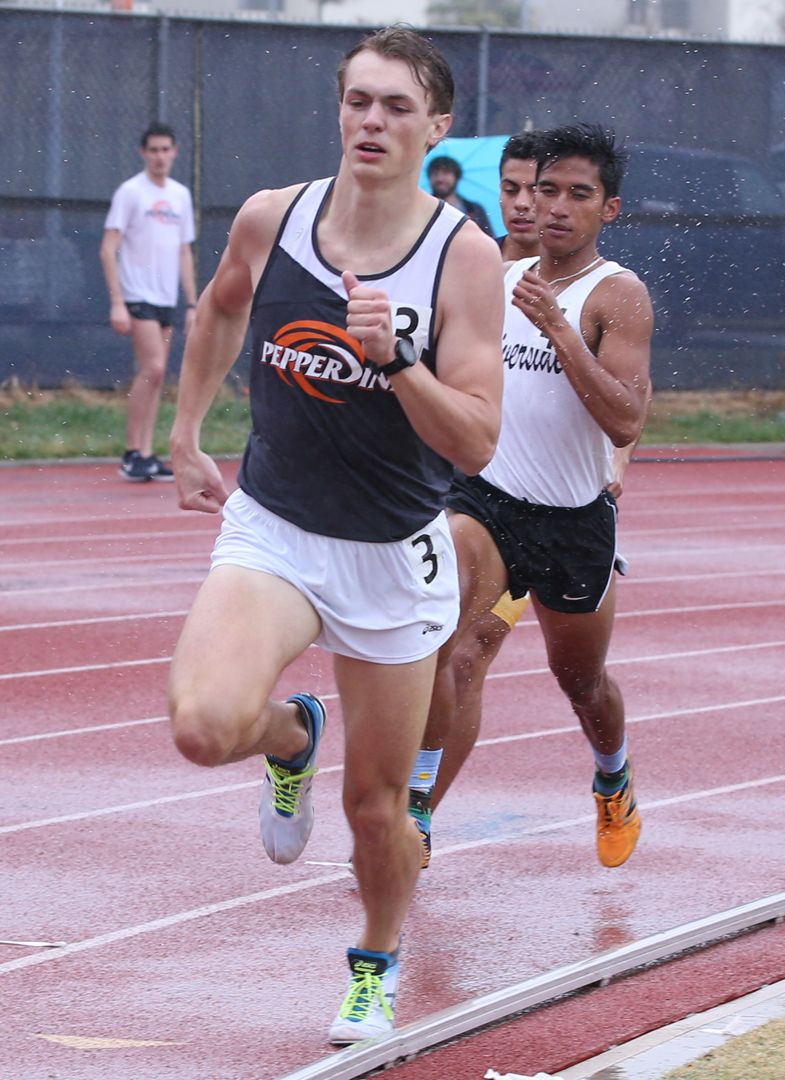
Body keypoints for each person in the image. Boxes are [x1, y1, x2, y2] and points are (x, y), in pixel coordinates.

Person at [164, 27, 502, 1045]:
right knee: (202, 726)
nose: (373, 121)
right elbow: (220, 309)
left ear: (437, 126)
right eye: (359, 100)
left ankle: (375, 961)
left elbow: (477, 440)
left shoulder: (462, 257)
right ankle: (290, 735)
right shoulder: (274, 216)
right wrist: (186, 431)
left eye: (398, 106)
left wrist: (398, 360)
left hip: (392, 553)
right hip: (275, 527)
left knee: (375, 809)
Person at [412, 124, 653, 871]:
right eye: (546, 190)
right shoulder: (493, 275)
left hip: (574, 520)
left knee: (582, 682)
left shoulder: (617, 294)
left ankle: (612, 773)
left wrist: (559, 331)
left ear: (609, 208)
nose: (555, 207)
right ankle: (413, 808)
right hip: (486, 502)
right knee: (444, 643)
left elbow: (626, 418)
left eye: (578, 194)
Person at [102, 121, 197, 482]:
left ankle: (145, 453)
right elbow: (108, 249)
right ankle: (131, 452)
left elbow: (184, 251)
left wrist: (192, 304)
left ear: (175, 152)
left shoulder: (180, 196)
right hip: (136, 294)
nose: (160, 156)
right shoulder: (130, 192)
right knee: (153, 369)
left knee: (157, 376)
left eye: (165, 150)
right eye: (153, 150)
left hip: (165, 297)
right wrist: (117, 302)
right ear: (143, 153)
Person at [496, 131, 542, 262]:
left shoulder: (586, 272)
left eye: (536, 191)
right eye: (510, 190)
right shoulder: (472, 261)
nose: (521, 203)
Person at [427, 153, 494, 235]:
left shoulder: (474, 209)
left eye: (446, 173)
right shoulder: (423, 209)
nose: (440, 179)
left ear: (456, 177)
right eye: (435, 174)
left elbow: (489, 238)